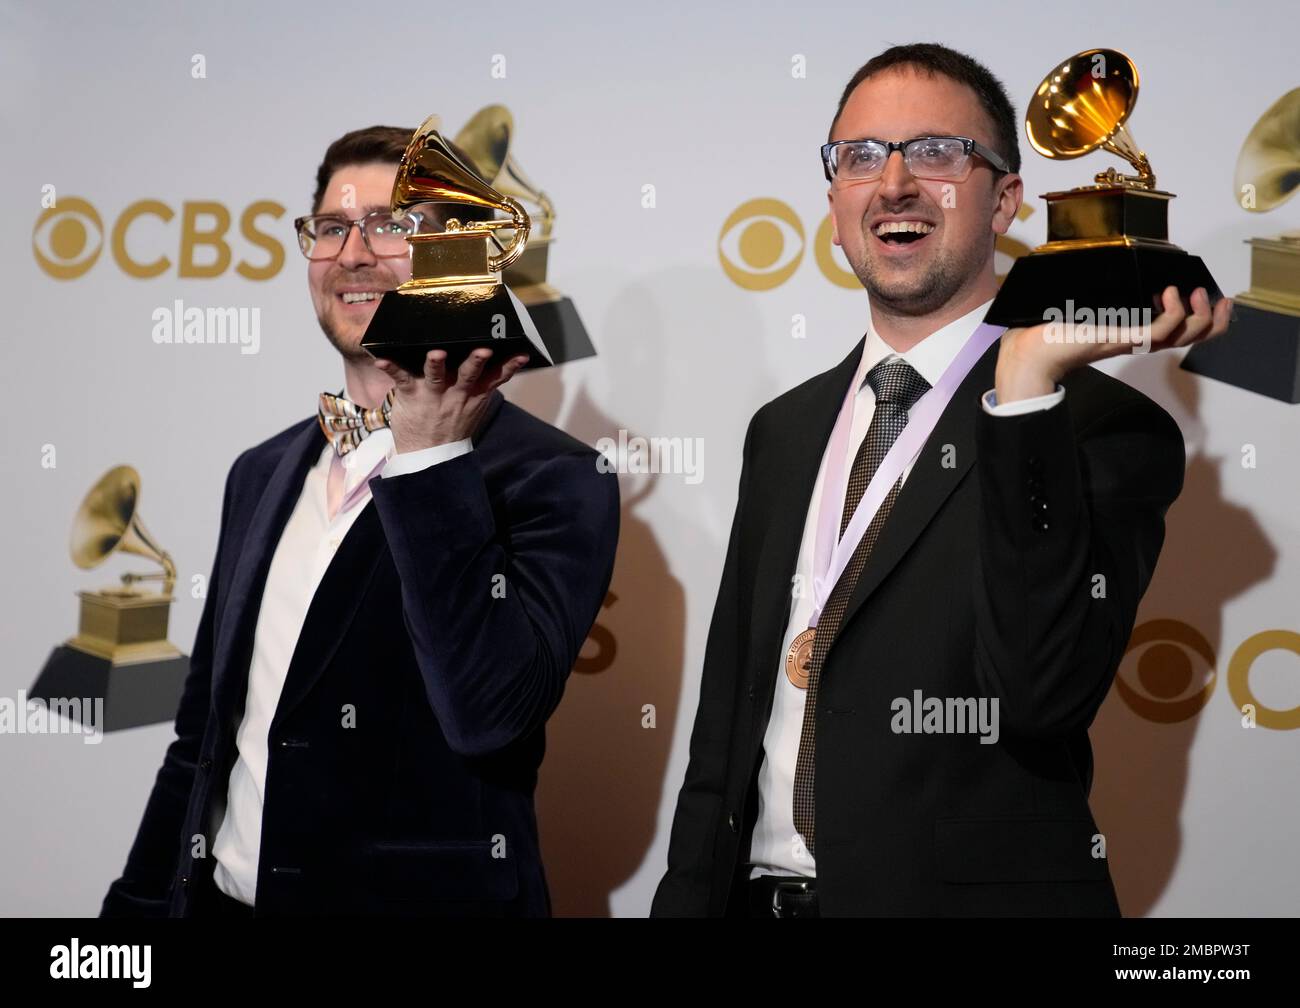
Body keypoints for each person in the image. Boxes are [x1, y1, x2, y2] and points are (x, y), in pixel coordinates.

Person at [652, 43, 1230, 917]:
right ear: (836, 202)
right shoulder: (783, 429)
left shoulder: (1101, 426)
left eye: (934, 153)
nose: (893, 184)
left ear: (1005, 201)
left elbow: (1041, 695)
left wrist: (1028, 389)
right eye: (860, 157)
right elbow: (725, 729)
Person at [101, 125, 619, 917]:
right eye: (332, 228)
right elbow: (201, 740)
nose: (353, 254)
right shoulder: (261, 471)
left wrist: (430, 462)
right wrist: (127, 927)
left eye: (390, 225)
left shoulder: (553, 478)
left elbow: (488, 720)